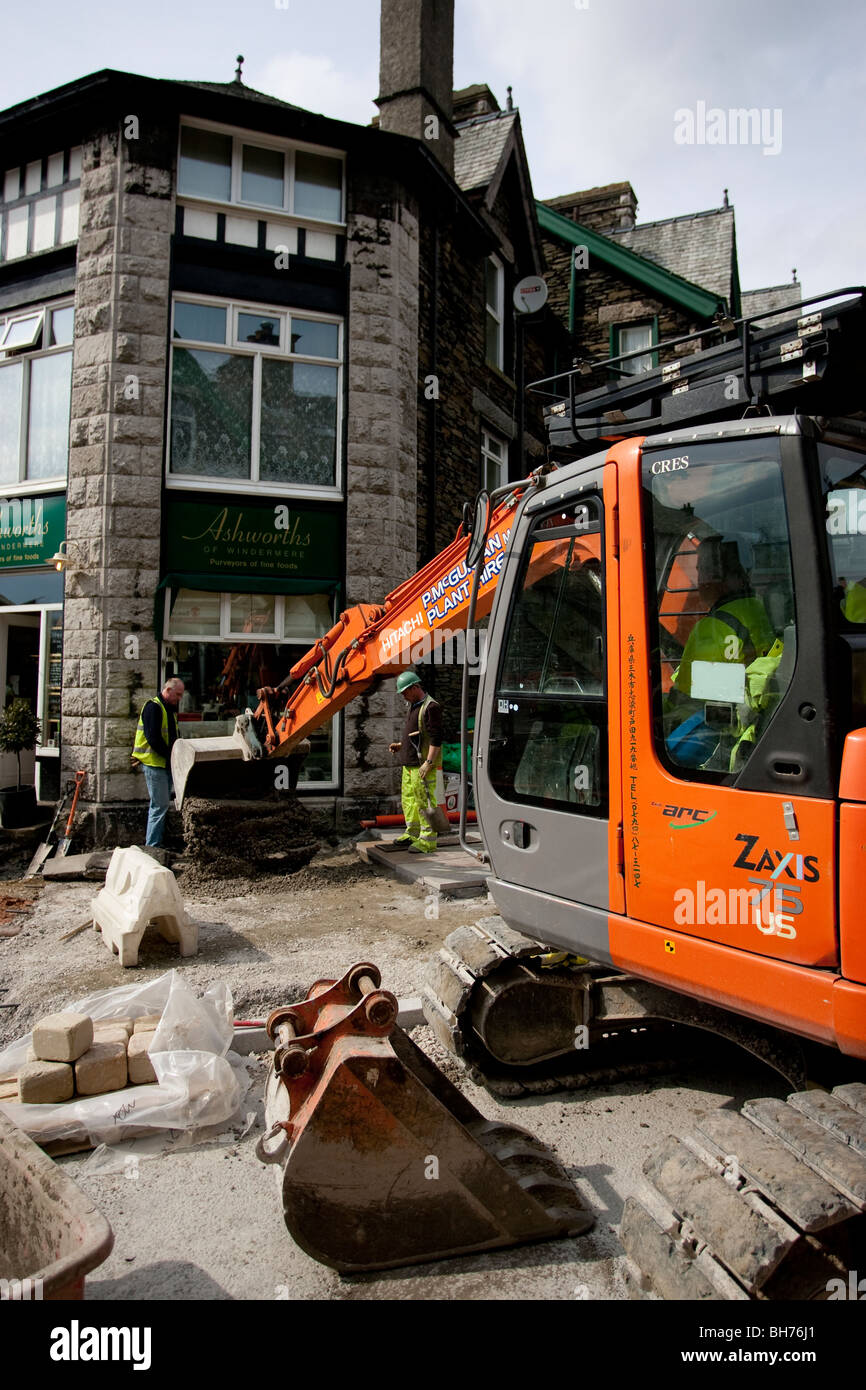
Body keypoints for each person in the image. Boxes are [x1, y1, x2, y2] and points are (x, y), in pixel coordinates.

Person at [666, 537, 777, 769]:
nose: (698, 581)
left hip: (724, 738)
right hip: (759, 728)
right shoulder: (757, 609)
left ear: (712, 576)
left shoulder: (713, 627)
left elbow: (686, 698)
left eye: (700, 571)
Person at [389, 671, 443, 854]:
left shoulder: (431, 707)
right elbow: (417, 734)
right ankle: (412, 833)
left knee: (424, 802)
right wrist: (401, 745)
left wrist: (428, 762)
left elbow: (436, 739)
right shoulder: (414, 705)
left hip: (421, 765)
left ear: (415, 687)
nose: (403, 695)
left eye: (405, 692)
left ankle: (427, 841)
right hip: (410, 764)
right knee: (409, 801)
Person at [132, 678, 184, 847]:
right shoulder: (153, 707)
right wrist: (171, 755)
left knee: (161, 806)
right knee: (159, 806)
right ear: (167, 690)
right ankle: (153, 846)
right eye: (177, 694)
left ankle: (157, 843)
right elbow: (153, 738)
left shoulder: (168, 709)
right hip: (155, 764)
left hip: (163, 764)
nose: (180, 698)